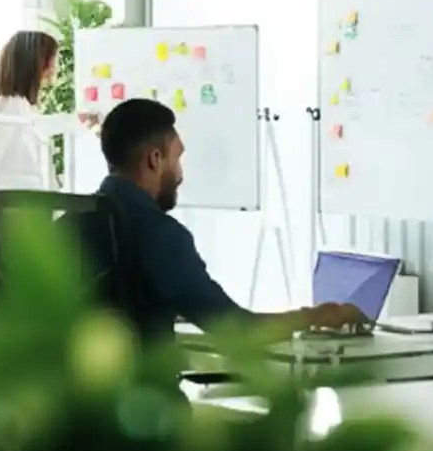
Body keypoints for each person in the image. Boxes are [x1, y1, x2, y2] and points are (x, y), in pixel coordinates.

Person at [96, 99, 370, 342]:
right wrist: (317, 316)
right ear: (155, 159)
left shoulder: (72, 222)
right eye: (177, 159)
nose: (180, 174)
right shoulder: (159, 235)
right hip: (149, 397)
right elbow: (233, 328)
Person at [0, 30, 98, 190]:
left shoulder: (21, 109)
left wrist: (82, 121)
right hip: (13, 207)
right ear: (38, 64)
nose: (54, 69)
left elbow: (41, 125)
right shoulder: (8, 111)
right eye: (52, 61)